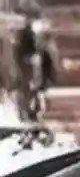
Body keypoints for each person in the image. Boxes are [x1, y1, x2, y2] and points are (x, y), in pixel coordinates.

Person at [12, 16, 56, 150]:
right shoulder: (32, 53)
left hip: (35, 83)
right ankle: (31, 135)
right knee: (30, 110)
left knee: (35, 109)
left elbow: (48, 66)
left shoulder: (39, 52)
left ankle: (33, 135)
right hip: (30, 83)